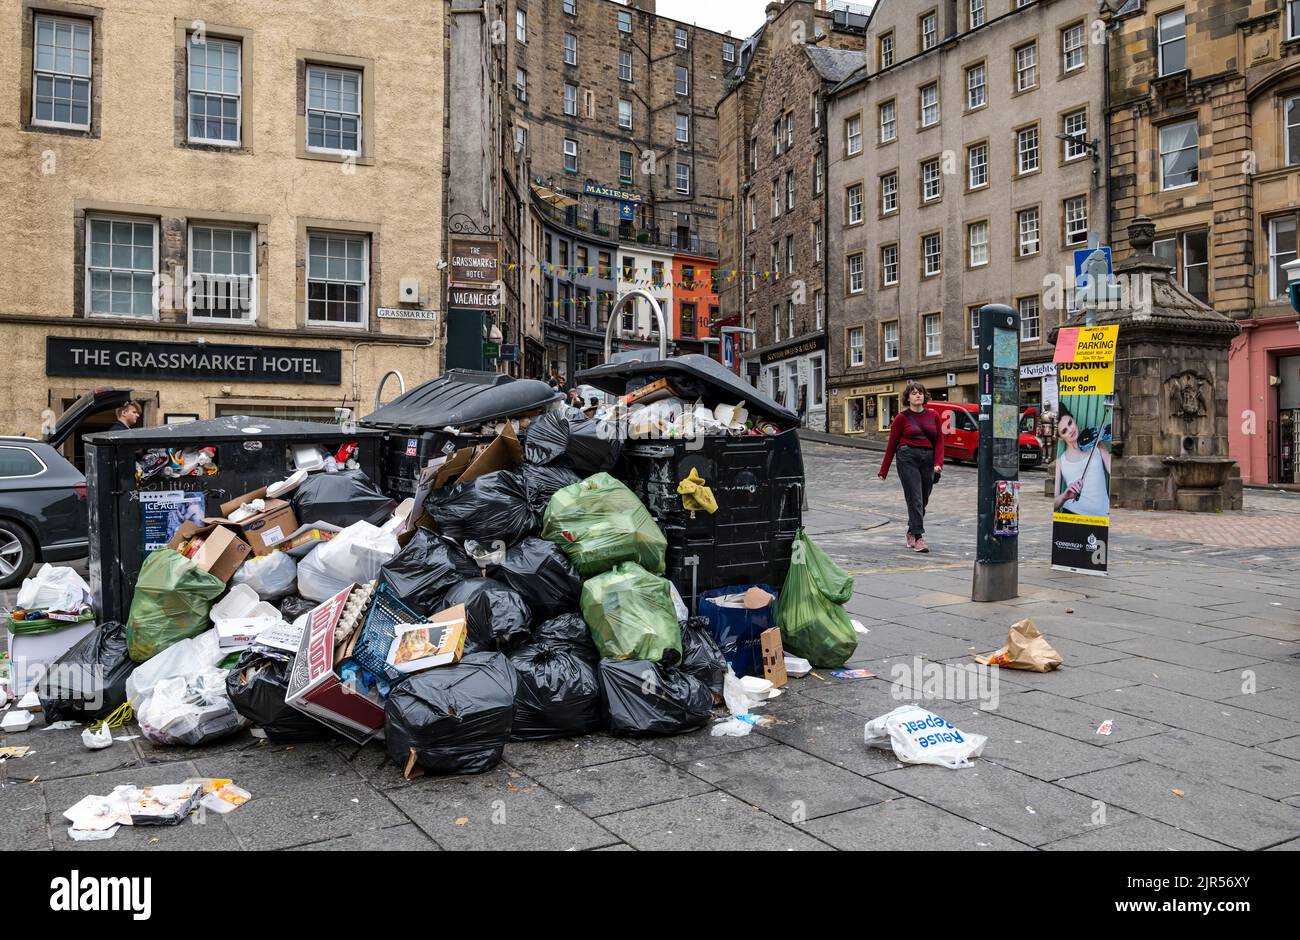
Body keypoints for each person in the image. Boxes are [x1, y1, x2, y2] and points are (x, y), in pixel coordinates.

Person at [878, 382, 944, 552]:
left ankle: (911, 531)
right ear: (908, 398)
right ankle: (919, 538)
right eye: (914, 393)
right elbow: (892, 444)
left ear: (924, 396)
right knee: (915, 497)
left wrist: (938, 463)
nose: (917, 395)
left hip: (927, 460)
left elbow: (939, 442)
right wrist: (883, 470)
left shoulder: (933, 416)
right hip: (907, 458)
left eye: (920, 393)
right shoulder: (902, 418)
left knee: (923, 499)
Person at [1054, 401, 1112, 516]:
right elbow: (1054, 504)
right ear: (1060, 437)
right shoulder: (1060, 461)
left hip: (1102, 515)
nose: (1070, 430)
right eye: (1064, 431)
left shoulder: (1097, 444)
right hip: (1072, 514)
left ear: (1074, 419)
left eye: (1070, 423)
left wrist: (1100, 440)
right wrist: (1064, 496)